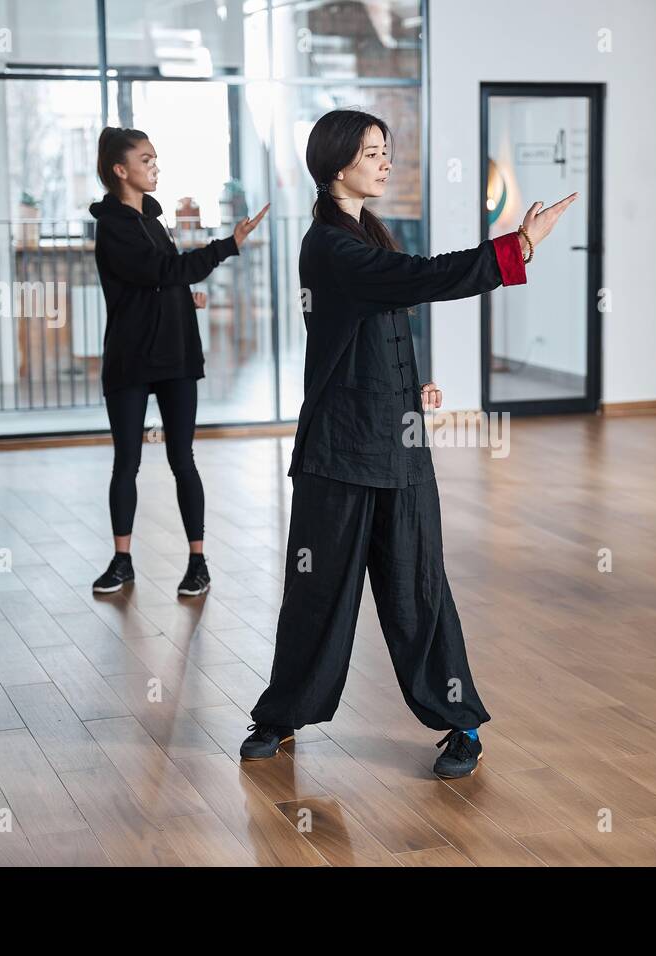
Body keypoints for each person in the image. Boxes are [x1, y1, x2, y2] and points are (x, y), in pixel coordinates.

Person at [240, 108, 577, 778]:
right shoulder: (330, 245)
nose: (386, 162)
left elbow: (383, 327)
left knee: (419, 587)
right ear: (338, 165)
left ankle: (460, 725)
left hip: (398, 442)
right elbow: (415, 281)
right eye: (373, 152)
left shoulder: (368, 232)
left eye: (386, 150)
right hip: (339, 451)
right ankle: (280, 716)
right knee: (319, 592)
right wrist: (518, 246)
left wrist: (411, 390)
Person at [87, 127, 269, 596]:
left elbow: (159, 284)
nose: (155, 167)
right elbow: (160, 273)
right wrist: (227, 245)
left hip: (174, 354)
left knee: (181, 458)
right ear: (120, 170)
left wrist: (185, 302)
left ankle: (198, 562)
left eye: (155, 159)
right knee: (126, 461)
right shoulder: (112, 226)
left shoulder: (152, 219)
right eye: (146, 160)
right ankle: (122, 561)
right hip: (131, 356)